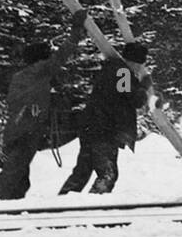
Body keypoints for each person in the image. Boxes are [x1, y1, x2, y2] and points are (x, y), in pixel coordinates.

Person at [0, 9, 88, 200]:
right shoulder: (40, 70)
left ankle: (8, 212)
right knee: (13, 173)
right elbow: (62, 55)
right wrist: (76, 30)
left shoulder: (20, 76)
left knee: (20, 179)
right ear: (41, 59)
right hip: (27, 130)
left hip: (14, 130)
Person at [59, 41, 153, 195]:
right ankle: (93, 208)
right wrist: (144, 87)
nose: (138, 68)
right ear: (132, 61)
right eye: (138, 64)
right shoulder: (122, 72)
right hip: (104, 131)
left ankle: (60, 207)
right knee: (107, 175)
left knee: (81, 173)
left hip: (91, 127)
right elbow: (133, 99)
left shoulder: (112, 70)